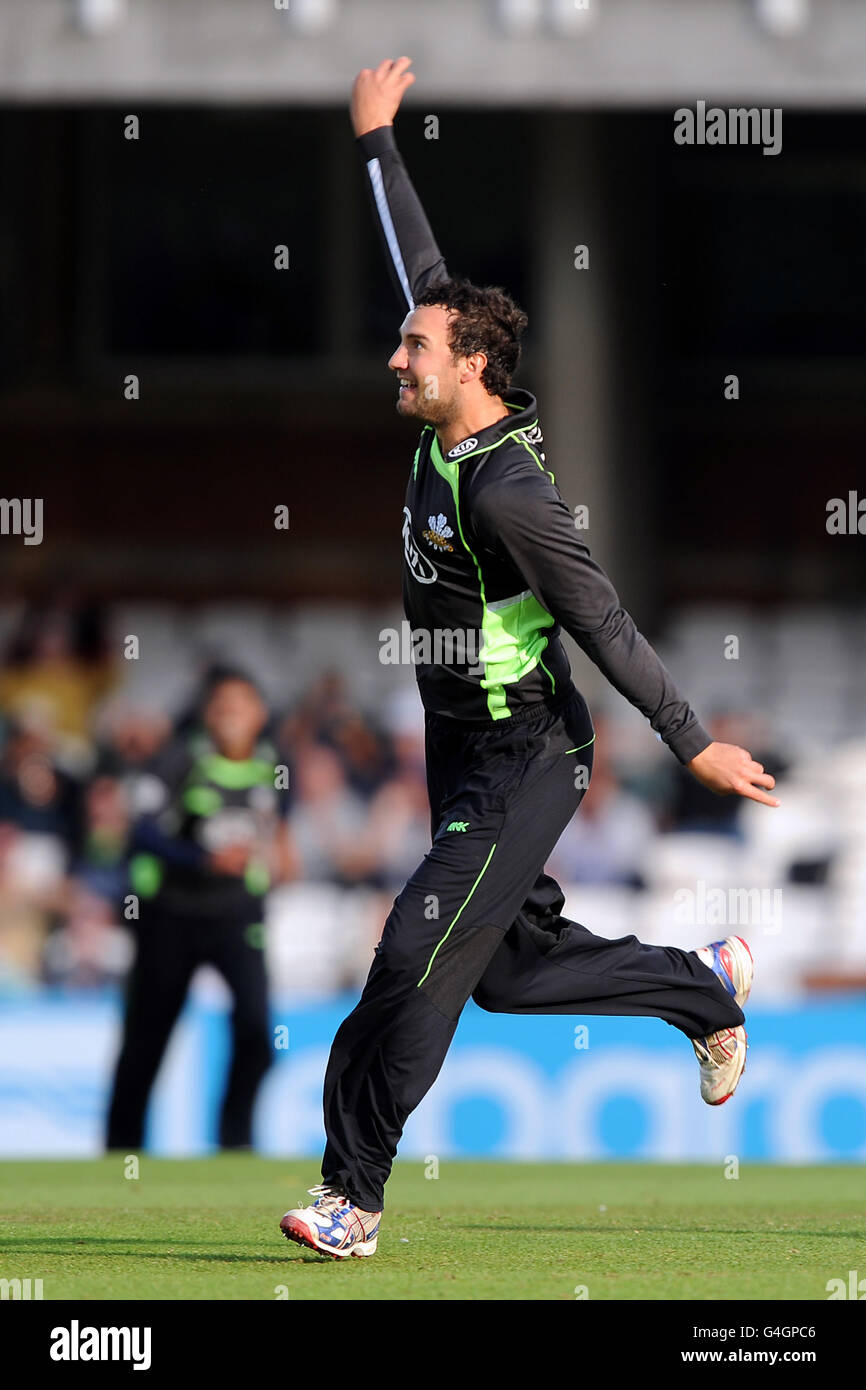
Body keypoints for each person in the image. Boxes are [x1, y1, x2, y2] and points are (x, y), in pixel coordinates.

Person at [279, 58, 779, 1259]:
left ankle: (353, 1194)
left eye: (413, 349)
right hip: (464, 747)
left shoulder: (509, 496)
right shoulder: (450, 385)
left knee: (414, 953)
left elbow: (602, 620)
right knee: (505, 972)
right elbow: (420, 267)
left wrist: (693, 739)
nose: (395, 357)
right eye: (403, 341)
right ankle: (701, 986)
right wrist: (375, 146)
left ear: (468, 369)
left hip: (525, 751)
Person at [106, 671, 295, 1151]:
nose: (231, 714)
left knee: (257, 1030)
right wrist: (201, 860)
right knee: (148, 1036)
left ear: (259, 715)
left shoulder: (274, 765)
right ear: (208, 714)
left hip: (237, 914)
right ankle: (119, 1151)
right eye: (221, 705)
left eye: (241, 704)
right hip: (173, 911)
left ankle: (235, 1147)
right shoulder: (178, 759)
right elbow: (143, 832)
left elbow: (276, 829)